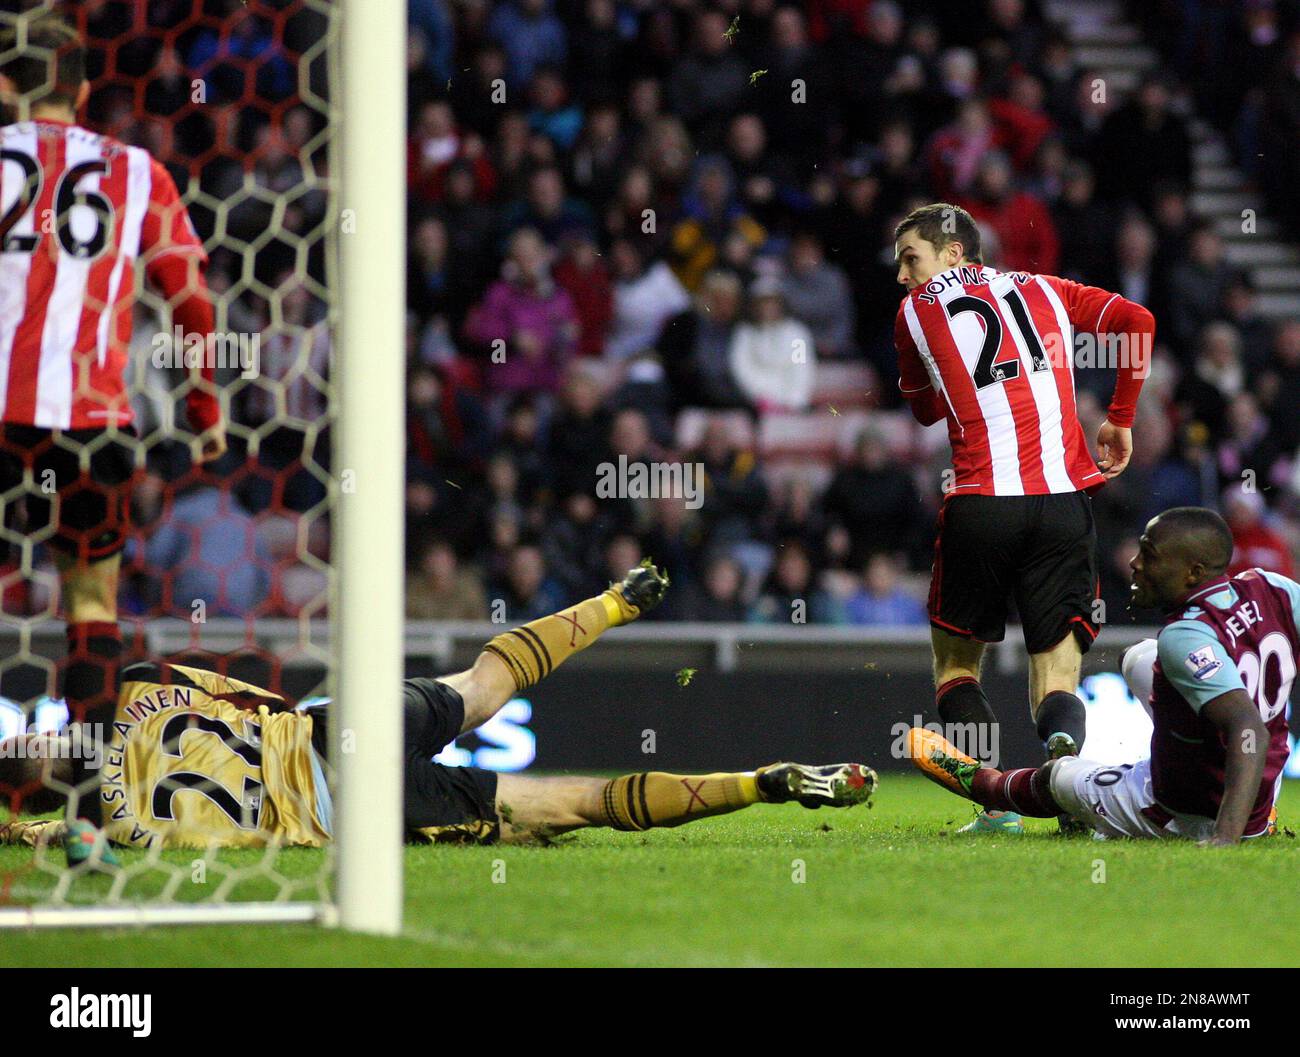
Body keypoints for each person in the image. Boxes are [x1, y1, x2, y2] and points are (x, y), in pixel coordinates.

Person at [0, 563, 875, 861]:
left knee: (560, 804)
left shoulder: (109, 828)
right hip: (329, 733)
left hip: (341, 804)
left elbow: (44, 835)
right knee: (485, 685)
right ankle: (614, 602)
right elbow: (249, 690)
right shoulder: (144, 681)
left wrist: (23, 826)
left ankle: (762, 782)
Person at [0, 14, 225, 831]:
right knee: (90, 598)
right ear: (83, 89)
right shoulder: (136, 171)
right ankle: (91, 806)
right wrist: (204, 404)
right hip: (89, 422)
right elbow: (192, 300)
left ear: (2, 85)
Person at [892, 202, 1153, 833]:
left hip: (982, 504)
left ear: (954, 253)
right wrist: (1120, 416)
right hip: (1063, 503)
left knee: (956, 665)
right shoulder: (1046, 289)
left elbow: (927, 412)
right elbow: (1137, 320)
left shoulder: (915, 312)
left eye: (910, 259)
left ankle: (996, 810)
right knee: (1057, 668)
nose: (902, 276)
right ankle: (1070, 792)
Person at [908, 508, 1294, 845]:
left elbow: (1248, 731)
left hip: (1190, 811)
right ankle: (1212, 778)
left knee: (1059, 777)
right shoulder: (1271, 587)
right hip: (1258, 789)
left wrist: (1226, 837)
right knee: (1140, 658)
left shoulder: (1185, 636)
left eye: (1150, 555)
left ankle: (988, 789)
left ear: (1192, 572)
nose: (1135, 563)